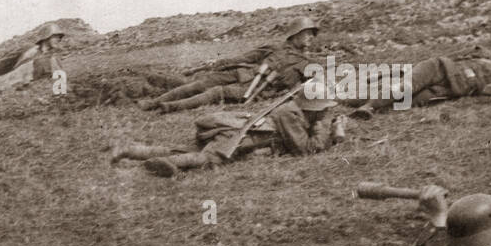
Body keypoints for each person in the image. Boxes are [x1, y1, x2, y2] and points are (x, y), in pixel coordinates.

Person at [111, 84, 345, 177]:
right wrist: (323, 128)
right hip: (239, 136)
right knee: (208, 158)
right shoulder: (290, 114)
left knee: (186, 148)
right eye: (323, 109)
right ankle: (164, 165)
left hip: (233, 129)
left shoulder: (293, 110)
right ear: (313, 108)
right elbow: (305, 150)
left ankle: (131, 151)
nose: (325, 112)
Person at [139, 16, 322, 112]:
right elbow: (247, 57)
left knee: (217, 93)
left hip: (257, 88)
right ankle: (153, 103)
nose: (310, 38)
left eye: (312, 35)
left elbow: (307, 87)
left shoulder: (307, 63)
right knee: (200, 84)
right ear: (295, 34)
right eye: (306, 33)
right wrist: (220, 63)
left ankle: (170, 107)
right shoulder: (275, 47)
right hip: (243, 73)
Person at [352, 36, 491, 118]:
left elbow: (488, 93)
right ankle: (367, 107)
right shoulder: (483, 52)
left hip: (447, 90)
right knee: (404, 87)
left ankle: (355, 102)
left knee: (406, 101)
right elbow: (454, 54)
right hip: (439, 68)